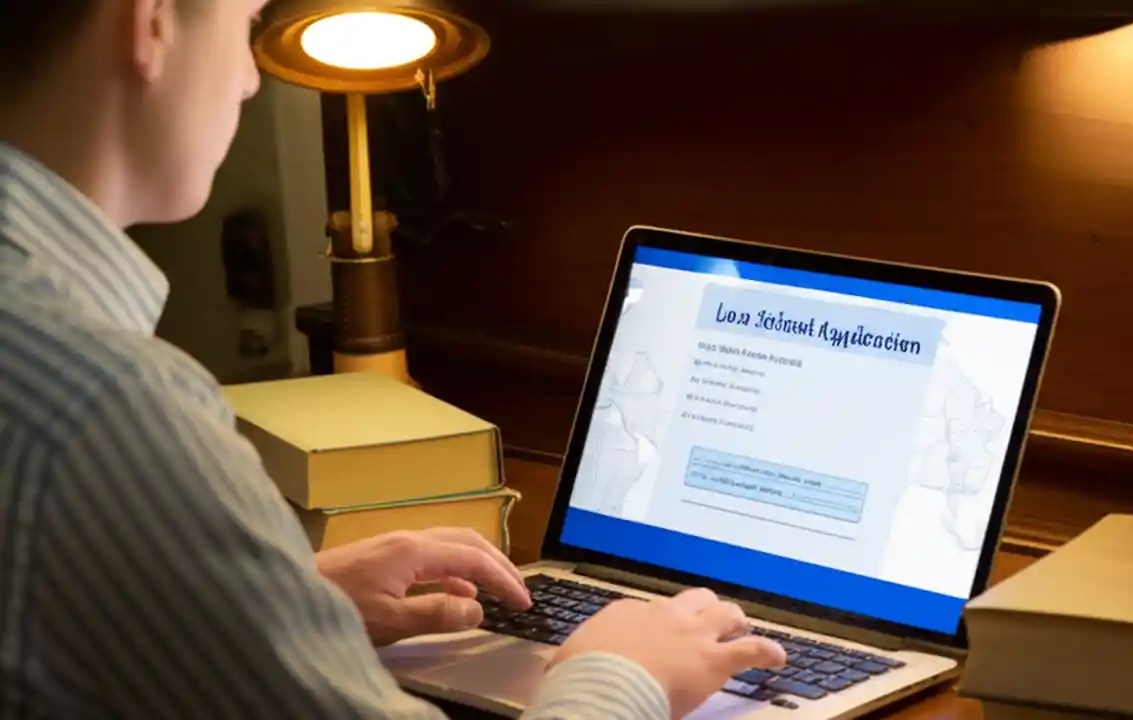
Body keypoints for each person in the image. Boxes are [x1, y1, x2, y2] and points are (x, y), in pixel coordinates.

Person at [0, 1, 787, 718]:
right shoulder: (105, 408)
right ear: (150, 22)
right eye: (246, 26)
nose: (248, 80)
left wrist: (278, 602)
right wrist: (623, 674)